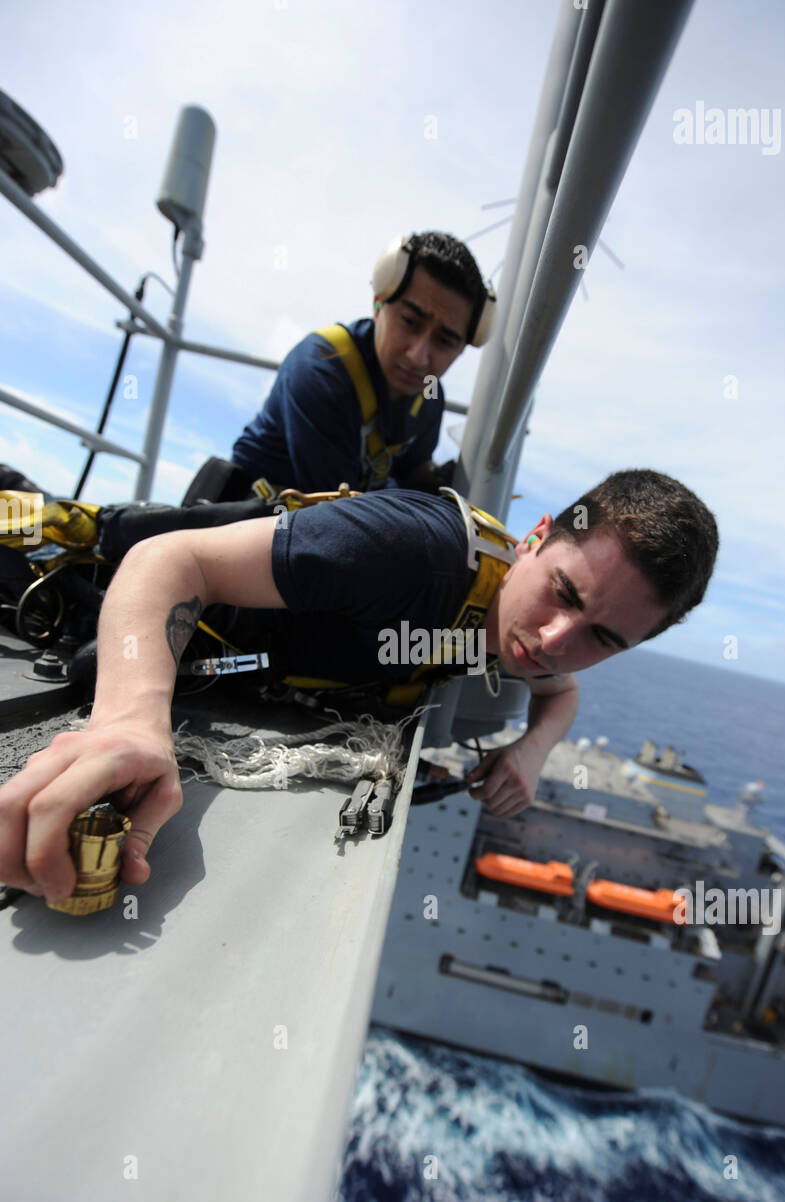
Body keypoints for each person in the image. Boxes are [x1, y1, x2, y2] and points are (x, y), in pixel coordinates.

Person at [0, 469, 719, 905]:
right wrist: (129, 720)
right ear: (532, 539)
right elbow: (168, 559)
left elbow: (559, 693)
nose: (557, 642)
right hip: (87, 594)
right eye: (563, 591)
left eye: (603, 638)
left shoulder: (524, 630)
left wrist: (529, 754)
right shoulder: (415, 552)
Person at [190, 231, 495, 503]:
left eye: (445, 341)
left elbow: (412, 472)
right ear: (378, 303)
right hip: (248, 527)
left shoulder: (429, 395)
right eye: (409, 322)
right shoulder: (321, 367)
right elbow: (340, 517)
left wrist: (439, 484)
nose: (418, 356)